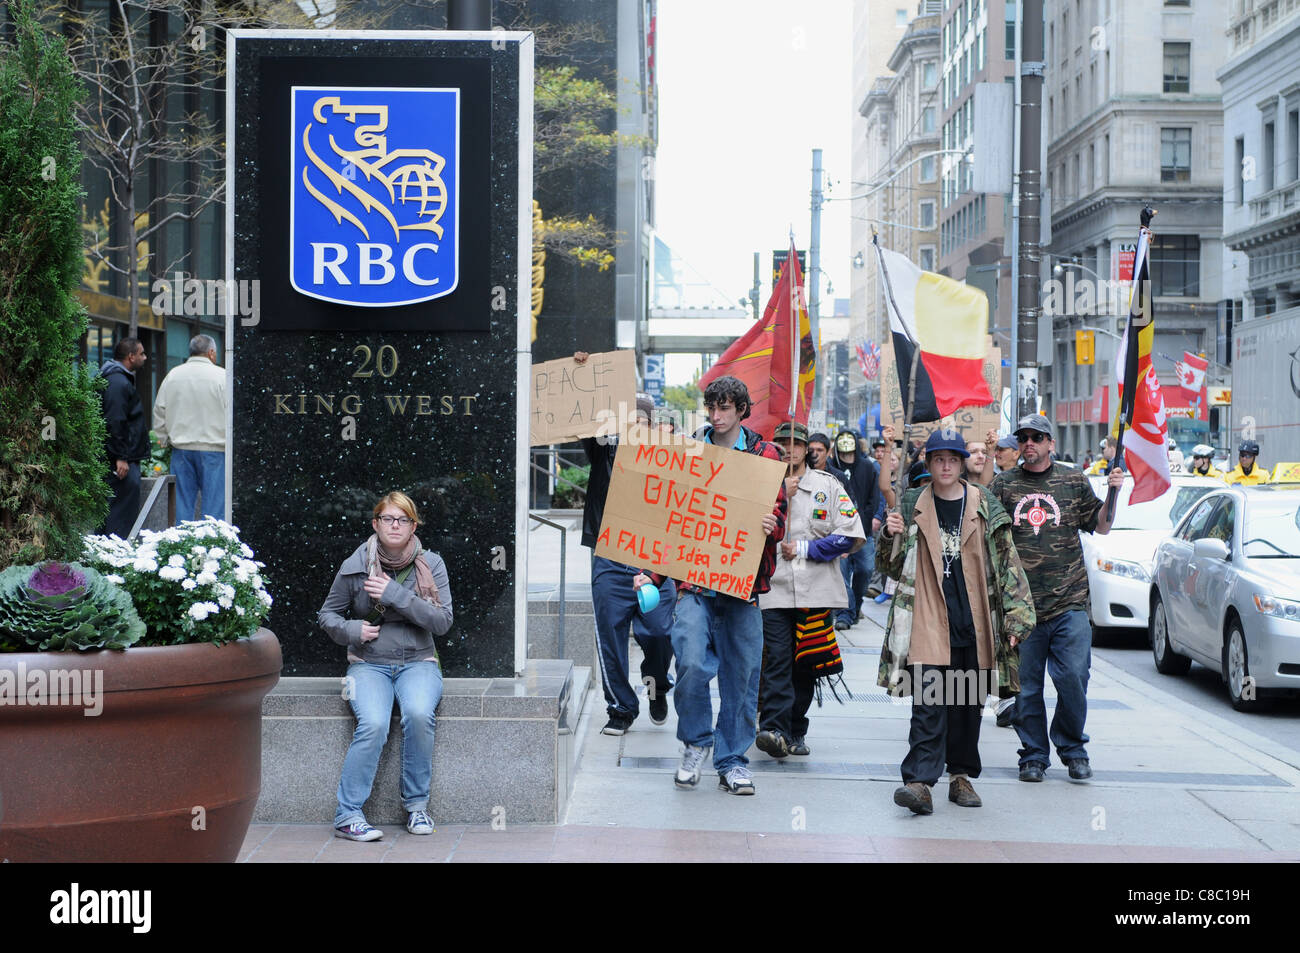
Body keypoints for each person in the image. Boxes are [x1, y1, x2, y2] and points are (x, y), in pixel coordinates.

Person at [878, 430, 1036, 815]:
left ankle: (960, 776)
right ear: (929, 464)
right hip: (928, 617)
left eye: (952, 459)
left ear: (962, 463)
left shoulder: (983, 503)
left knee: (966, 707)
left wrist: (1017, 615)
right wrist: (888, 535)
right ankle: (919, 782)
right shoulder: (913, 502)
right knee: (929, 706)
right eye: (938, 459)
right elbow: (891, 568)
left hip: (974, 618)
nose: (946, 466)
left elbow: (1007, 559)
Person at [990, 414, 1126, 783]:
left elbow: (1102, 525)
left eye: (1037, 437)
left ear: (1051, 443)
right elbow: (987, 536)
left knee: (1073, 677)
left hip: (1069, 601)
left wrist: (1113, 493)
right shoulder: (1004, 484)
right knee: (1026, 686)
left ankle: (1072, 748)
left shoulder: (1073, 480)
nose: (1029, 443)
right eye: (1023, 437)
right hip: (1022, 606)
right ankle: (1033, 755)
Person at [672, 375, 786, 796]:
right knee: (689, 661)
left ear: (741, 410)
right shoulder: (689, 451)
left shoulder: (765, 455)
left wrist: (773, 526)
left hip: (743, 586)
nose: (716, 415)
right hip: (695, 584)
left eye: (725, 408)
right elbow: (669, 518)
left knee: (742, 676)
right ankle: (696, 743)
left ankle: (733, 760)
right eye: (712, 407)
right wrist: (653, 572)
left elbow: (779, 515)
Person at [317, 491, 454, 841]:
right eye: (388, 519)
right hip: (368, 664)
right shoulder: (355, 565)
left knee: (419, 715)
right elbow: (327, 615)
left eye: (403, 519)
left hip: (419, 662)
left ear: (413, 526)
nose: (395, 525)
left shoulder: (431, 564)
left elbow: (442, 622)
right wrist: (353, 630)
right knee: (374, 723)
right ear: (375, 524)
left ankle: (417, 807)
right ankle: (348, 815)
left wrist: (395, 595)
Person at [573, 353, 676, 736]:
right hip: (610, 558)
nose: (635, 428)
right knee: (610, 635)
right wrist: (585, 373)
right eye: (629, 421)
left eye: (642, 422)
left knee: (659, 633)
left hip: (656, 560)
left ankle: (657, 683)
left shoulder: (670, 460)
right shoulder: (604, 451)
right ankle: (620, 708)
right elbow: (581, 415)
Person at [757, 421, 865, 760]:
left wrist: (806, 549)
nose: (789, 449)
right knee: (776, 658)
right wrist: (779, 497)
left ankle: (795, 730)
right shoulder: (760, 482)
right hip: (772, 588)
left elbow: (850, 535)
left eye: (796, 443)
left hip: (816, 590)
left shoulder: (827, 485)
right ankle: (773, 728)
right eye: (782, 443)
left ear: (807, 449)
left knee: (806, 661)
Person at [152, 334, 227, 522]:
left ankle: (182, 541)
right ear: (211, 353)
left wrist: (163, 439)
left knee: (182, 508)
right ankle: (210, 541)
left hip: (182, 450)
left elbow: (160, 410)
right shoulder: (222, 377)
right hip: (215, 450)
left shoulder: (173, 375)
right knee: (214, 512)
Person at [97, 337, 150, 539]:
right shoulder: (118, 382)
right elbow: (115, 420)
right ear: (131, 356)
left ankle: (107, 552)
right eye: (141, 353)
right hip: (119, 462)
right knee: (119, 517)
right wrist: (120, 457)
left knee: (114, 514)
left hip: (119, 457)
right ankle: (114, 555)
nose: (145, 357)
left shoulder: (116, 379)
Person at [828, 427, 881, 630]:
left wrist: (864, 521)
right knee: (841, 574)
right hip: (838, 532)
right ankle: (845, 614)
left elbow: (873, 497)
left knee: (865, 571)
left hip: (863, 531)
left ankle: (855, 606)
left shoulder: (867, 467)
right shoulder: (831, 467)